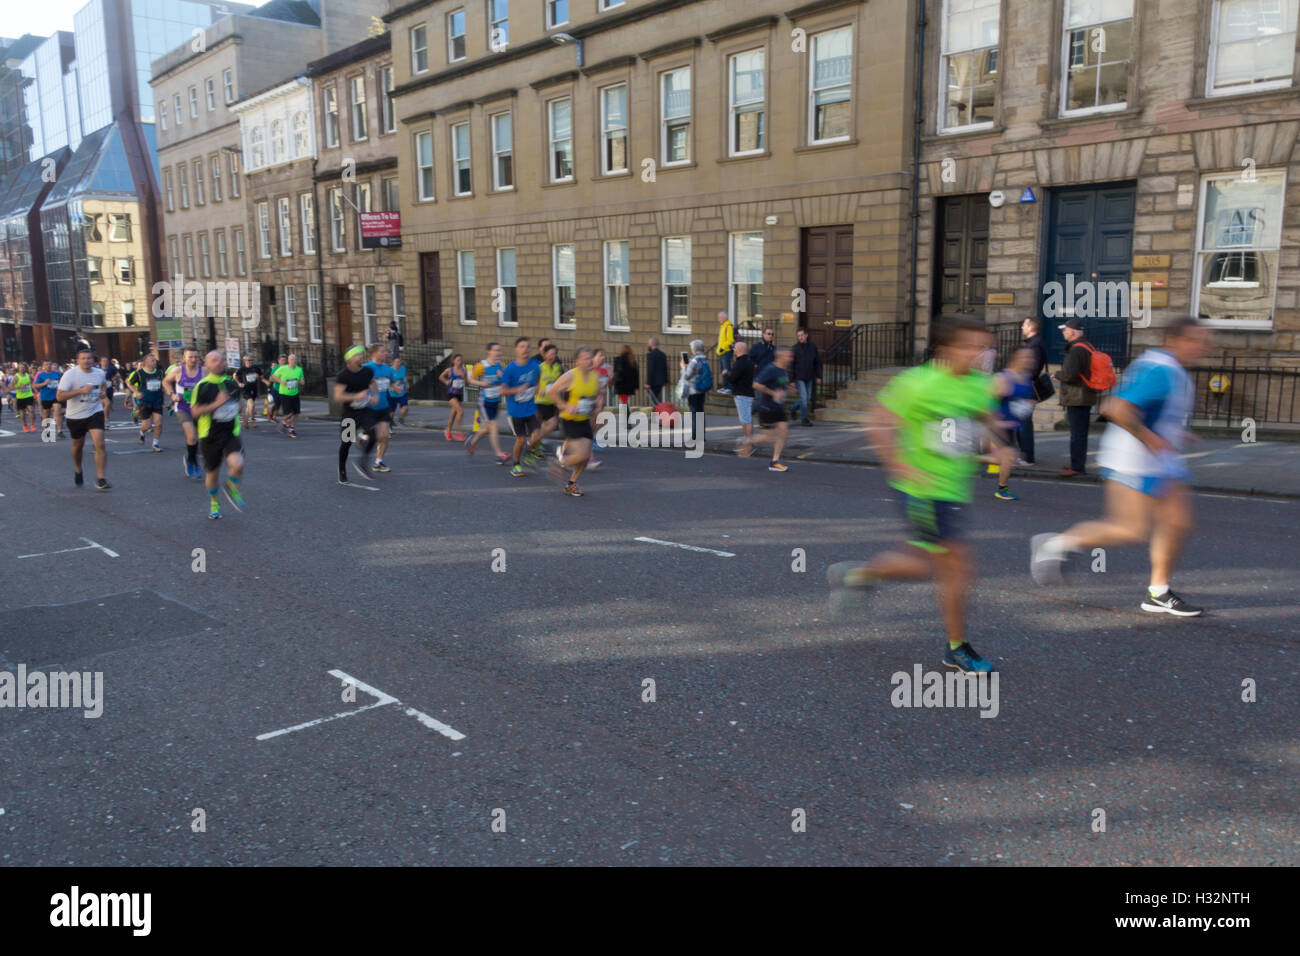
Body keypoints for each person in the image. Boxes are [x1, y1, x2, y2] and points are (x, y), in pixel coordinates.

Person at [826, 317, 1008, 674]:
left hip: (954, 490)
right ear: (945, 350)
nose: (978, 354)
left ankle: (860, 576)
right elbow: (876, 422)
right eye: (969, 346)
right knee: (957, 566)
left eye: (982, 346)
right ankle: (956, 648)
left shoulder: (979, 384)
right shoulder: (916, 384)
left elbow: (981, 417)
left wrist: (998, 444)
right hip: (922, 491)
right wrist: (901, 466)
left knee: (929, 565)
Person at [1031, 318, 1213, 617]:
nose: (1205, 346)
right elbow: (1115, 408)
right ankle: (1056, 544)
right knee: (1130, 529)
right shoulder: (1161, 369)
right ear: (1176, 340)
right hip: (1133, 459)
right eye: (1198, 340)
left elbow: (1156, 413)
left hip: (1161, 463)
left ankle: (1159, 591)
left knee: (1177, 523)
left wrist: (1176, 435)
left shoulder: (1173, 369)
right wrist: (1152, 439)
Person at [188, 351, 246, 518]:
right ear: (206, 364)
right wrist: (217, 403)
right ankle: (214, 503)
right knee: (212, 474)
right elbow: (195, 412)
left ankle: (231, 486)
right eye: (214, 360)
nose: (219, 362)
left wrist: (240, 409)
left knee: (238, 465)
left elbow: (238, 402)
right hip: (210, 435)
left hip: (230, 432)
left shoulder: (231, 382)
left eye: (221, 359)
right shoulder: (203, 386)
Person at [547, 346, 603, 497]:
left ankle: (571, 484)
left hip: (584, 419)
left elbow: (599, 394)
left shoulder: (594, 377)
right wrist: (564, 406)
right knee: (582, 455)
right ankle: (558, 464)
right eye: (585, 358)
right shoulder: (570, 376)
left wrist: (598, 404)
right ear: (577, 361)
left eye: (590, 357)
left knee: (584, 459)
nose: (589, 360)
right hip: (570, 420)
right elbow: (551, 392)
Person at [984, 346, 1037, 501]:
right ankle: (1002, 489)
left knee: (1005, 459)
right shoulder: (1002, 378)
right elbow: (987, 402)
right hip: (998, 425)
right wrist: (996, 422)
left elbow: (1022, 398)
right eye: (1025, 357)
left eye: (1030, 357)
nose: (1029, 360)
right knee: (1009, 457)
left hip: (1012, 424)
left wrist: (1029, 403)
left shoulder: (1026, 377)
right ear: (1015, 359)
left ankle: (967, 458)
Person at [56, 348, 111, 490]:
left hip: (95, 412)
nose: (86, 361)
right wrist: (80, 390)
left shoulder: (99, 373)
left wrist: (103, 392)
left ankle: (100, 478)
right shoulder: (70, 375)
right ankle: (78, 468)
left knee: (100, 444)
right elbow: (60, 396)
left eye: (89, 358)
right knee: (77, 446)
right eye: (83, 358)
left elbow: (103, 384)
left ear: (94, 360)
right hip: (75, 416)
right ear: (77, 360)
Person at [737, 346, 792, 471]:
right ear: (780, 357)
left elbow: (782, 385)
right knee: (767, 438)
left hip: (778, 407)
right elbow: (756, 384)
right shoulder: (770, 369)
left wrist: (789, 389)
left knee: (784, 431)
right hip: (766, 407)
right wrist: (773, 393)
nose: (790, 358)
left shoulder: (784, 371)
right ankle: (746, 441)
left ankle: (775, 461)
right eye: (788, 356)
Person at [1056, 318, 1098, 477]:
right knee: (1079, 432)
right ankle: (1076, 463)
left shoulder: (1076, 350)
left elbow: (1070, 375)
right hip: (1084, 395)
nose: (1063, 332)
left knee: (1077, 434)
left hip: (1078, 396)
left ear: (1072, 332)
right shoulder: (1087, 346)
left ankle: (1078, 467)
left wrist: (1057, 374)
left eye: (1065, 330)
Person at [334, 345, 377, 487]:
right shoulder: (343, 375)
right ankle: (342, 470)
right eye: (358, 355)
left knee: (373, 434)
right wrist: (356, 396)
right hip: (349, 414)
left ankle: (363, 462)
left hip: (364, 411)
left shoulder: (367, 371)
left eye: (361, 354)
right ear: (350, 358)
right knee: (346, 444)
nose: (361, 357)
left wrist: (374, 395)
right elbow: (338, 396)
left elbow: (372, 382)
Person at [500, 336, 543, 478]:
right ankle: (516, 464)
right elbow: (503, 391)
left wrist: (536, 388)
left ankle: (528, 452)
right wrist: (518, 389)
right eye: (522, 347)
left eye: (527, 347)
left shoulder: (535, 365)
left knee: (537, 434)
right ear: (516, 350)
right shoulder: (510, 369)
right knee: (521, 439)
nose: (525, 349)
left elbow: (537, 380)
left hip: (530, 408)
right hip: (515, 410)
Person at [163, 348, 206, 478]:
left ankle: (190, 457)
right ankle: (193, 462)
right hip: (182, 407)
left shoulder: (204, 371)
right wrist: (172, 394)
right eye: (190, 357)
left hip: (199, 408)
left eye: (196, 357)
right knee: (192, 435)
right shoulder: (177, 371)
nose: (193, 360)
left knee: (196, 437)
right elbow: (165, 381)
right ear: (184, 358)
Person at [466, 343, 509, 463]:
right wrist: (482, 384)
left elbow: (505, 380)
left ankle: (472, 442)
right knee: (494, 426)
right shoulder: (481, 366)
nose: (498, 353)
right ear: (488, 351)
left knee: (486, 428)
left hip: (496, 401)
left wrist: (502, 377)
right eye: (496, 350)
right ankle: (499, 454)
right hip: (484, 402)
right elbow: (470, 379)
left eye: (499, 350)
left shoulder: (501, 365)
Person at [1018, 316, 1049, 465]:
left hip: (1027, 388)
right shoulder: (1033, 343)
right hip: (1025, 386)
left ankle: (1027, 457)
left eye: (1024, 325)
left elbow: (1033, 369)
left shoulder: (1035, 345)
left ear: (1031, 327)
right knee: (1020, 422)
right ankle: (1023, 454)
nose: (1021, 327)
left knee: (1024, 423)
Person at [360, 345, 394, 471]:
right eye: (382, 351)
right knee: (377, 436)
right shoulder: (366, 368)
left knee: (385, 436)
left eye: (385, 351)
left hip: (383, 406)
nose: (385, 353)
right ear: (374, 353)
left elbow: (390, 383)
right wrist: (367, 396)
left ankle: (378, 462)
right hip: (369, 408)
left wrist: (396, 387)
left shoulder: (388, 369)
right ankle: (363, 437)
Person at [127, 353, 166, 451]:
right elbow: (129, 383)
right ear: (146, 363)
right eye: (152, 360)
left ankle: (155, 444)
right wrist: (136, 392)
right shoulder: (139, 373)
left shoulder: (160, 372)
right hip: (145, 402)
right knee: (147, 425)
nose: (155, 362)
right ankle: (141, 432)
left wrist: (166, 392)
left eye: (155, 360)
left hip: (157, 401)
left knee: (158, 423)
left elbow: (164, 383)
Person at [533, 344, 564, 448]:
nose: (552, 356)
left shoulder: (557, 367)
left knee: (546, 425)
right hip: (541, 401)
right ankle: (535, 442)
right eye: (550, 354)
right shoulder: (540, 368)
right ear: (545, 354)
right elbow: (533, 383)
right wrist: (538, 390)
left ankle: (536, 442)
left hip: (552, 401)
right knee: (553, 423)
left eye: (554, 354)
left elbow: (561, 382)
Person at [791, 327, 823, 426]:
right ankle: (804, 419)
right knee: (804, 398)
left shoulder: (813, 347)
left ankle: (793, 408)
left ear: (806, 335)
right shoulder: (795, 348)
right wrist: (791, 380)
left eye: (802, 335)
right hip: (799, 378)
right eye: (798, 336)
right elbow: (791, 365)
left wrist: (819, 376)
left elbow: (817, 362)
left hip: (810, 377)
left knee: (807, 398)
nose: (800, 337)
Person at [682, 340, 710, 442]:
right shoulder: (705, 359)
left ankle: (695, 437)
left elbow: (687, 376)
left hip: (693, 390)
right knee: (700, 412)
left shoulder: (694, 360)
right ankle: (701, 436)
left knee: (694, 413)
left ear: (694, 349)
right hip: (702, 389)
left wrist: (684, 367)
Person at [271, 353, 304, 438]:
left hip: (295, 393)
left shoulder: (299, 369)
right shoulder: (283, 369)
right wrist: (280, 381)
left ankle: (291, 430)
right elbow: (273, 377)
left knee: (296, 413)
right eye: (292, 360)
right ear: (288, 361)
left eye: (295, 359)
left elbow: (301, 378)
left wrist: (302, 381)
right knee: (289, 413)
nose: (294, 361)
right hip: (284, 394)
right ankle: (283, 422)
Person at [729, 340, 756, 444]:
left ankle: (748, 442)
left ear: (739, 350)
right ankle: (747, 439)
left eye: (735, 348)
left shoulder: (740, 362)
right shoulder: (749, 361)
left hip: (742, 394)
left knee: (746, 419)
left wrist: (727, 374)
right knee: (745, 419)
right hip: (747, 392)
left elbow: (732, 378)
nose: (734, 349)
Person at [440, 353, 468, 440]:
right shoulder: (450, 370)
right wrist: (446, 382)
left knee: (453, 414)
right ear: (454, 361)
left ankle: (448, 430)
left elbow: (467, 384)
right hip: (451, 394)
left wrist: (464, 378)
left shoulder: (464, 371)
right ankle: (458, 433)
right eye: (458, 360)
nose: (460, 362)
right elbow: (440, 377)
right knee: (460, 412)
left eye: (461, 360)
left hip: (459, 394)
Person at [34, 361, 64, 438]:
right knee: (47, 414)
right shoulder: (40, 375)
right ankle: (46, 430)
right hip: (45, 397)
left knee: (57, 409)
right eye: (46, 364)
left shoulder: (57, 373)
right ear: (43, 366)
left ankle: (59, 430)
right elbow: (35, 386)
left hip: (56, 396)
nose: (48, 366)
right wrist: (44, 383)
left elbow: (62, 382)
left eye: (50, 364)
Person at [237, 354, 262, 429]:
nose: (250, 361)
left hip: (254, 389)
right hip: (245, 389)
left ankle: (245, 422)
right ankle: (253, 421)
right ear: (244, 361)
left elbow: (260, 375)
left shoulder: (255, 368)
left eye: (251, 360)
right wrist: (238, 383)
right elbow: (234, 375)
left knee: (249, 407)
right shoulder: (242, 369)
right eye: (248, 360)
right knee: (251, 405)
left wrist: (258, 376)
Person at [12, 363, 36, 432]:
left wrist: (35, 391)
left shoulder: (28, 376)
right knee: (23, 413)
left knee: (31, 410)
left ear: (25, 368)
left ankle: (32, 425)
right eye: (20, 367)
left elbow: (32, 384)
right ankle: (25, 425)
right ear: (18, 369)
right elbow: (11, 387)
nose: (22, 368)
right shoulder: (16, 377)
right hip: (21, 397)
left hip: (29, 395)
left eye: (23, 367)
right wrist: (19, 387)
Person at [264, 353, 287, 422]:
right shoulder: (276, 368)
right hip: (276, 389)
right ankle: (270, 413)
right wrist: (280, 381)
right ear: (279, 361)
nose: (283, 362)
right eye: (282, 360)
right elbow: (271, 379)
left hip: (284, 390)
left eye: (284, 360)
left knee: (280, 405)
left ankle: (274, 417)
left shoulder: (287, 368)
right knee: (275, 404)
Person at [716, 312, 735, 395]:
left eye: (719, 317)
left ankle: (729, 387)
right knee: (723, 370)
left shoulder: (728, 326)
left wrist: (721, 348)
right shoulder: (723, 326)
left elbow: (730, 340)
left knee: (726, 370)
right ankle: (725, 386)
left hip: (726, 352)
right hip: (721, 352)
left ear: (724, 318)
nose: (718, 319)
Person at [388, 356, 409, 428]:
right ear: (393, 363)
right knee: (392, 411)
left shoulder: (403, 368)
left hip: (402, 393)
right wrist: (394, 386)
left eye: (400, 362)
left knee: (405, 407)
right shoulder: (390, 370)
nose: (399, 363)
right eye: (397, 362)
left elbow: (405, 377)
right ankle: (390, 421)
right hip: (392, 394)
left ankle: (400, 419)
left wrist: (406, 385)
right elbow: (387, 382)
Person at [645, 338, 668, 405]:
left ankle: (656, 413)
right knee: (656, 399)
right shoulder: (662, 354)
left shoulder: (651, 355)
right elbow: (665, 368)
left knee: (653, 400)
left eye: (648, 343)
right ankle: (657, 412)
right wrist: (666, 380)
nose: (648, 345)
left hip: (653, 382)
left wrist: (648, 383)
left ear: (651, 344)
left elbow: (650, 369)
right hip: (661, 381)